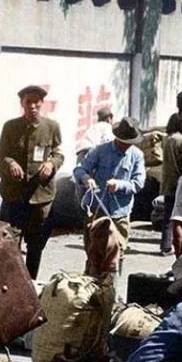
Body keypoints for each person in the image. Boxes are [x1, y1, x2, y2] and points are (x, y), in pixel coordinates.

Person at [0, 85, 64, 279]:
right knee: (9, 244)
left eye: (36, 102)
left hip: (40, 198)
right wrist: (10, 163)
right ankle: (12, 284)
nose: (32, 106)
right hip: (14, 197)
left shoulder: (51, 127)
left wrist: (51, 163)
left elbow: (58, 153)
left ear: (42, 103)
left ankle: (31, 282)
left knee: (36, 245)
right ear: (22, 104)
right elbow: (1, 156)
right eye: (28, 102)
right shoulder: (10, 127)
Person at [73, 117, 146, 291]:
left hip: (120, 213)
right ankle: (90, 291)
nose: (126, 146)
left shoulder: (137, 155)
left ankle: (111, 291)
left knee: (117, 254)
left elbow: (138, 183)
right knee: (93, 252)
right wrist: (86, 178)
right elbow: (79, 169)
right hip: (97, 212)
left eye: (129, 143)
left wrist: (120, 185)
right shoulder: (100, 151)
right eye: (123, 142)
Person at [159, 113, 182, 255]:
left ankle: (165, 245)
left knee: (167, 216)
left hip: (167, 181)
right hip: (179, 181)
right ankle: (176, 244)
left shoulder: (165, 140)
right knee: (179, 215)